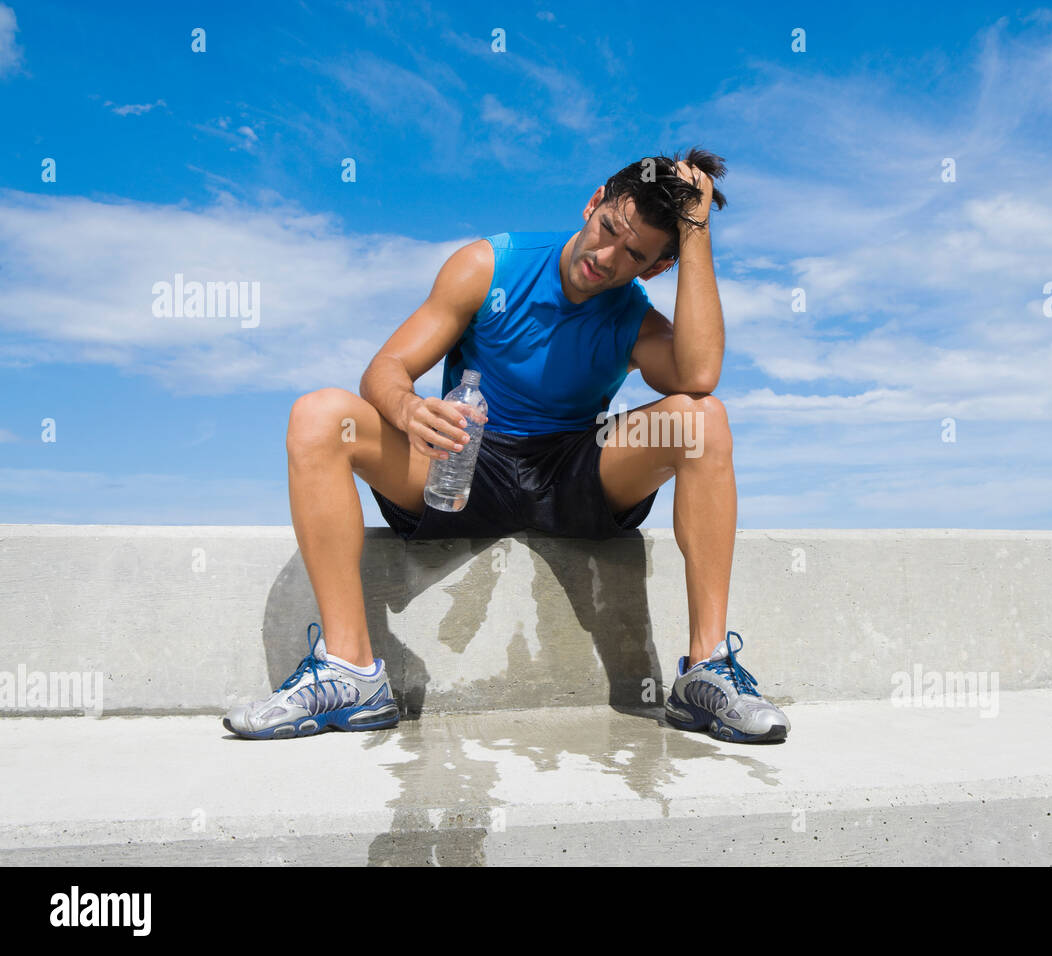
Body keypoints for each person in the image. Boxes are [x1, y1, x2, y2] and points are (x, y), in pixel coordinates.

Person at [223, 148, 790, 744]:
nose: (606, 257)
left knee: (703, 421)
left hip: (573, 472)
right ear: (593, 202)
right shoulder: (487, 265)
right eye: (608, 229)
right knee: (318, 416)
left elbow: (698, 375)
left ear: (652, 270)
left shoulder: (634, 317)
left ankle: (705, 673)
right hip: (463, 465)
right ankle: (350, 673)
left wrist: (695, 233)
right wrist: (409, 408)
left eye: (634, 256)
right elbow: (387, 366)